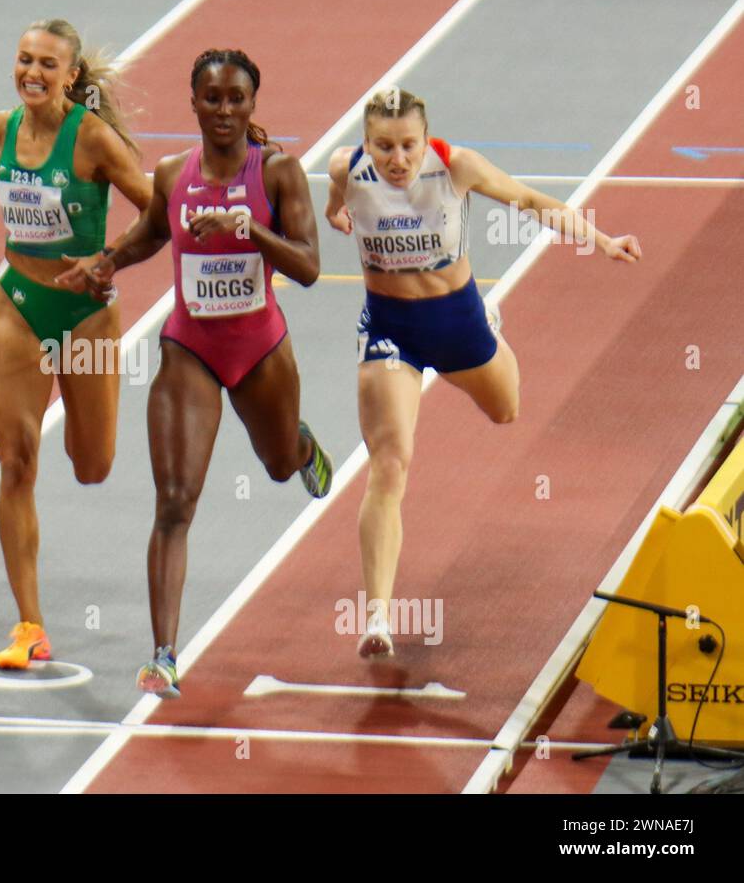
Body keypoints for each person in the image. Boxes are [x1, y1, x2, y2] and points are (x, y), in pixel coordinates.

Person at [323, 87, 641, 658]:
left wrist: (602, 239)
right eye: (384, 147)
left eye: (408, 146)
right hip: (390, 329)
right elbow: (335, 192)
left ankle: (495, 329)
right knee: (390, 463)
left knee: (506, 410)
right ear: (367, 143)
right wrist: (335, 212)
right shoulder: (346, 167)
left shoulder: (457, 166)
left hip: (460, 322)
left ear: (426, 139)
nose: (397, 159)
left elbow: (529, 200)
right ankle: (378, 616)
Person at [59, 49, 334, 698]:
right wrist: (106, 263)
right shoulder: (171, 173)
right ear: (195, 104)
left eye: (236, 99)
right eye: (212, 98)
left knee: (274, 460)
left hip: (261, 348)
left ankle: (299, 447)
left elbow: (309, 267)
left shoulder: (280, 172)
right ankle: (163, 655)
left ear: (251, 105)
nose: (224, 110)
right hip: (189, 349)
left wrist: (246, 230)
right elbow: (152, 232)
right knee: (176, 502)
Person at [0, 19, 152, 670]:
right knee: (15, 464)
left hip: (87, 317)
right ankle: (30, 626)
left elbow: (155, 209)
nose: (32, 73)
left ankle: (80, 414)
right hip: (18, 304)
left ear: (71, 75)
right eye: (24, 60)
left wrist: (108, 261)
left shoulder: (93, 139)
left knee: (91, 464)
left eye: (47, 64)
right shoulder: (4, 124)